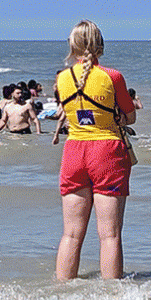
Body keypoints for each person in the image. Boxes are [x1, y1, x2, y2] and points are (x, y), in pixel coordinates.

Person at [54, 21, 136, 281]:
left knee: (71, 234)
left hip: (74, 151)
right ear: (100, 44)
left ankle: (62, 298)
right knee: (109, 234)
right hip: (107, 151)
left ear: (73, 45)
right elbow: (130, 116)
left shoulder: (62, 78)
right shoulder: (113, 76)